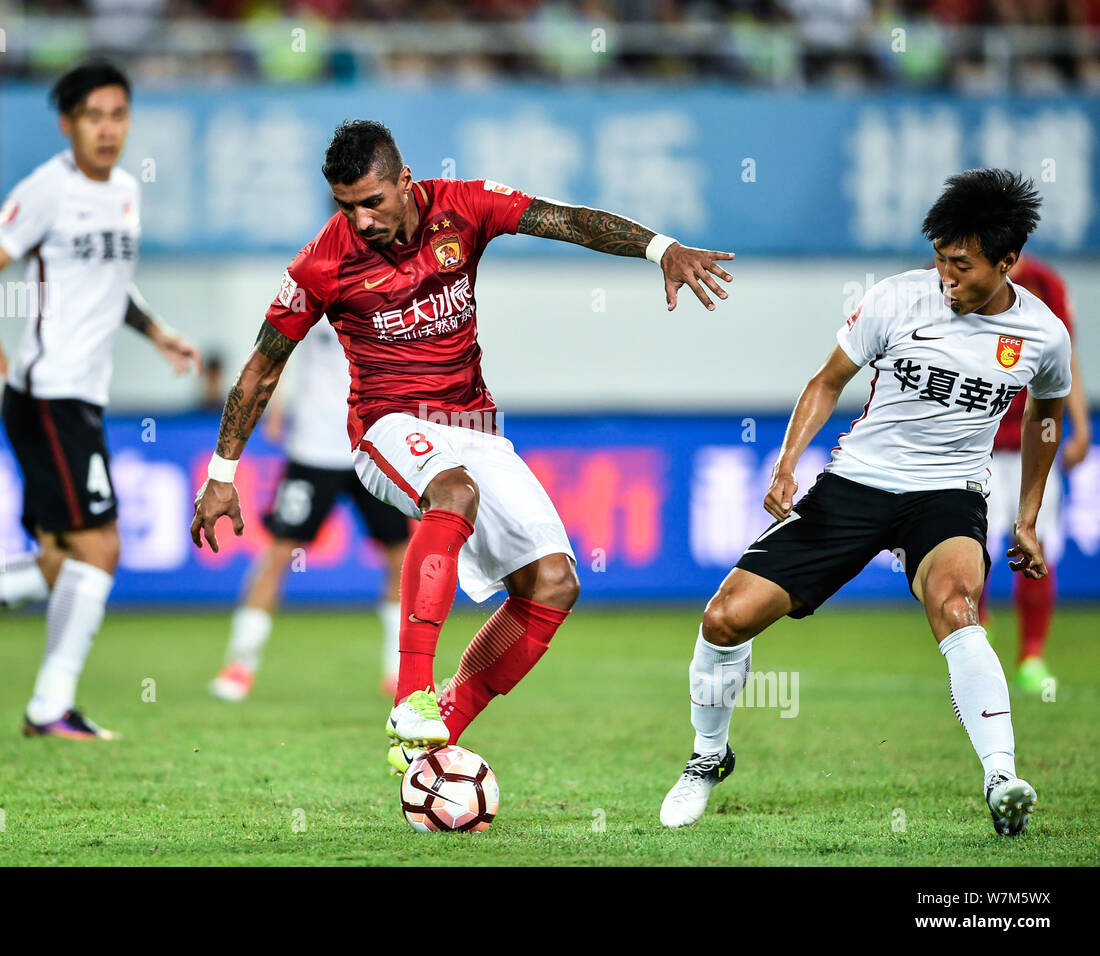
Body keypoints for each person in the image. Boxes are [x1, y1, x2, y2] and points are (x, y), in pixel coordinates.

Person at [190, 119, 735, 773]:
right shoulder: (322, 262)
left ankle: (432, 745)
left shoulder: (465, 206)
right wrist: (223, 473)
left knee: (554, 584)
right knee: (454, 492)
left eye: (372, 201)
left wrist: (660, 249)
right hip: (384, 427)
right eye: (346, 207)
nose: (360, 221)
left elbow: (565, 221)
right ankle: (411, 695)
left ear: (406, 182)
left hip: (474, 427)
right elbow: (262, 368)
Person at [659, 170, 1071, 837]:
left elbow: (1044, 418)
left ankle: (1001, 777)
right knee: (724, 618)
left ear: (1007, 262)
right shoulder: (896, 300)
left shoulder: (1042, 335)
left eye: (961, 265)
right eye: (939, 258)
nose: (945, 276)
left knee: (957, 607)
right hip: (858, 484)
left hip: (948, 496)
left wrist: (1026, 515)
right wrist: (788, 463)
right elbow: (827, 382)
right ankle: (708, 756)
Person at [0, 61, 200, 740]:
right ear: (68, 124)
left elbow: (110, 285)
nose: (108, 130)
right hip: (50, 396)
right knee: (100, 549)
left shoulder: (127, 192)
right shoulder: (48, 190)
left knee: (61, 563)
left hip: (77, 399)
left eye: (118, 115)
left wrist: (157, 330)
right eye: (94, 117)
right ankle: (50, 707)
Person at [211, 320, 409, 701]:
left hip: (374, 447)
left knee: (399, 554)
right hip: (313, 449)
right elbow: (277, 347)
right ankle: (240, 665)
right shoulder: (317, 281)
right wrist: (276, 405)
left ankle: (399, 670)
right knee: (279, 551)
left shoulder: (391, 290)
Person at [979, 253, 1089, 693]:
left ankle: (1031, 657)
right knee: (967, 546)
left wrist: (1079, 425)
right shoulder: (956, 274)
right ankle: (975, 637)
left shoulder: (1045, 283)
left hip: (1033, 446)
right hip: (974, 443)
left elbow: (1065, 361)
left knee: (1035, 547)